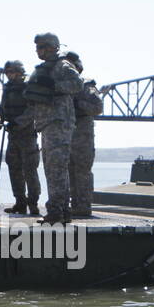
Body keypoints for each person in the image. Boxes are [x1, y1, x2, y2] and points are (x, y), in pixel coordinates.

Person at [23, 33, 83, 224]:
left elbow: (78, 84)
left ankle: (56, 212)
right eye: (37, 47)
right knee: (53, 168)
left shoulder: (62, 65)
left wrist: (54, 85)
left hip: (58, 123)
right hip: (47, 124)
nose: (38, 51)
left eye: (41, 47)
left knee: (56, 169)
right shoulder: (42, 69)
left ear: (51, 47)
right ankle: (63, 211)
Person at [0, 60, 40, 216]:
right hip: (12, 135)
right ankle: (20, 202)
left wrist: (18, 122)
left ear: (20, 72)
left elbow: (34, 110)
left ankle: (33, 203)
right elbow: (1, 109)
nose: (9, 75)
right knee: (14, 169)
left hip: (27, 135)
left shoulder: (29, 86)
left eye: (11, 72)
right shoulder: (7, 89)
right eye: (7, 73)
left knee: (30, 170)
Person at [63, 51, 103, 218]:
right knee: (68, 171)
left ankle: (84, 205)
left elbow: (98, 108)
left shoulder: (86, 86)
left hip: (82, 136)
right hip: (65, 133)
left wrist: (77, 104)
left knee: (82, 171)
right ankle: (74, 204)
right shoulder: (62, 87)